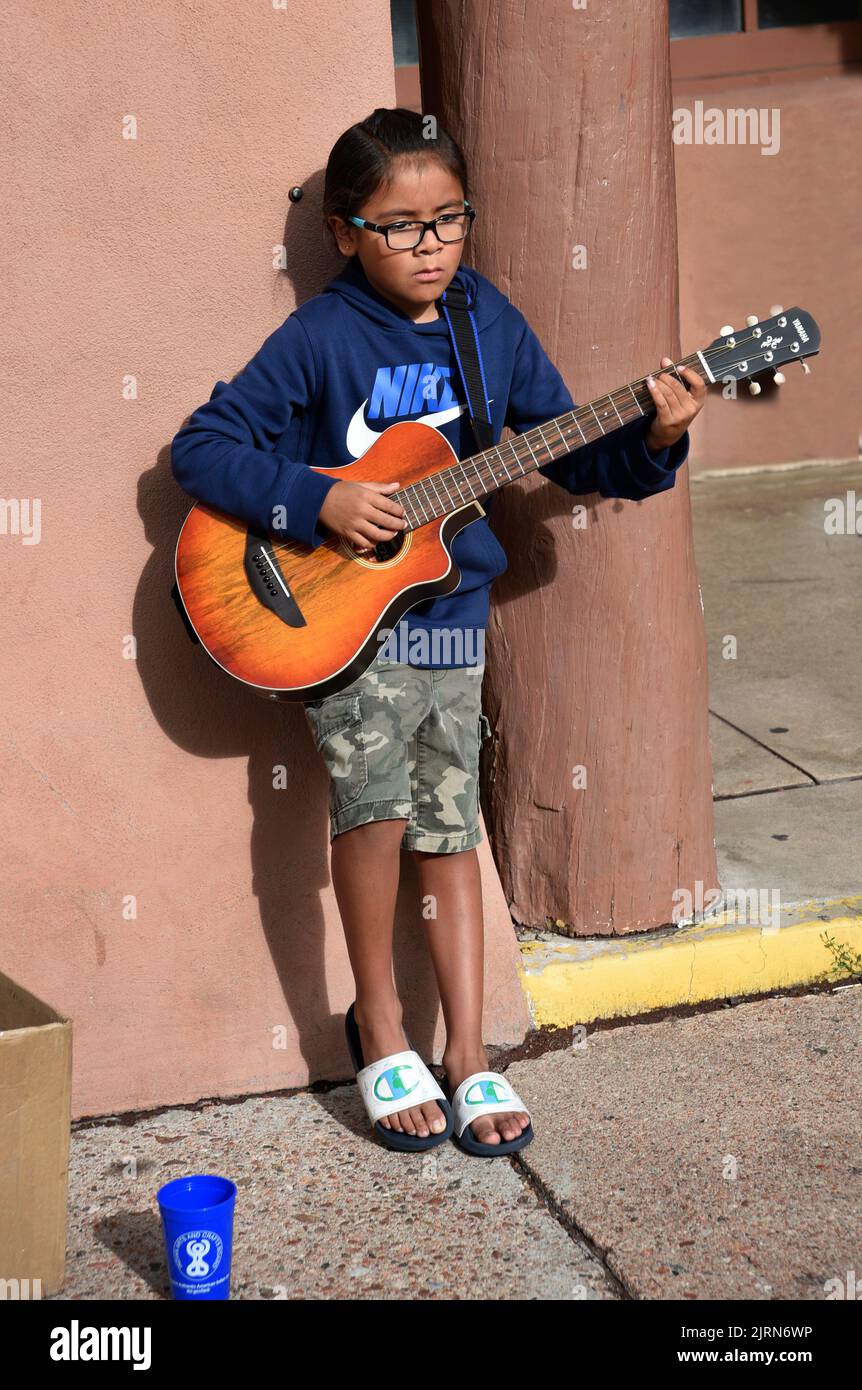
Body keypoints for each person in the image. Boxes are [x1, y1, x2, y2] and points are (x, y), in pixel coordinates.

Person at [170, 107, 706, 1156]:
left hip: (448, 617)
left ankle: (467, 1052)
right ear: (344, 231)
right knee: (370, 816)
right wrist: (314, 502)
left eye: (448, 221)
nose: (429, 246)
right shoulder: (321, 336)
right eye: (400, 225)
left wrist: (656, 432)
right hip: (345, 622)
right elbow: (203, 446)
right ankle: (378, 1028)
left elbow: (574, 454)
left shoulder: (487, 321)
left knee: (449, 825)